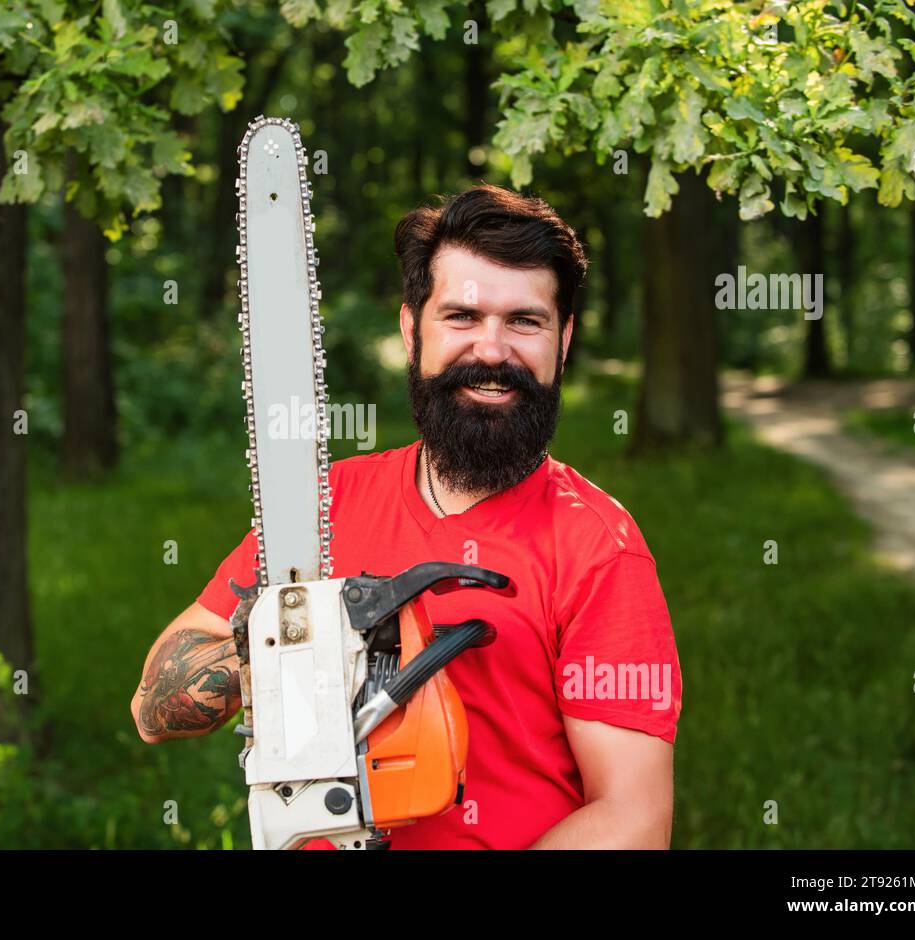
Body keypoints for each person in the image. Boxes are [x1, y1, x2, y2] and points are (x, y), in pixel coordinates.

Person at [131, 183, 682, 849]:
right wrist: (282, 649)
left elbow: (634, 818)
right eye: (462, 317)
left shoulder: (598, 546)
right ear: (410, 329)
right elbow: (153, 712)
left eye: (524, 321)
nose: (492, 350)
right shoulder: (320, 506)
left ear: (563, 340)